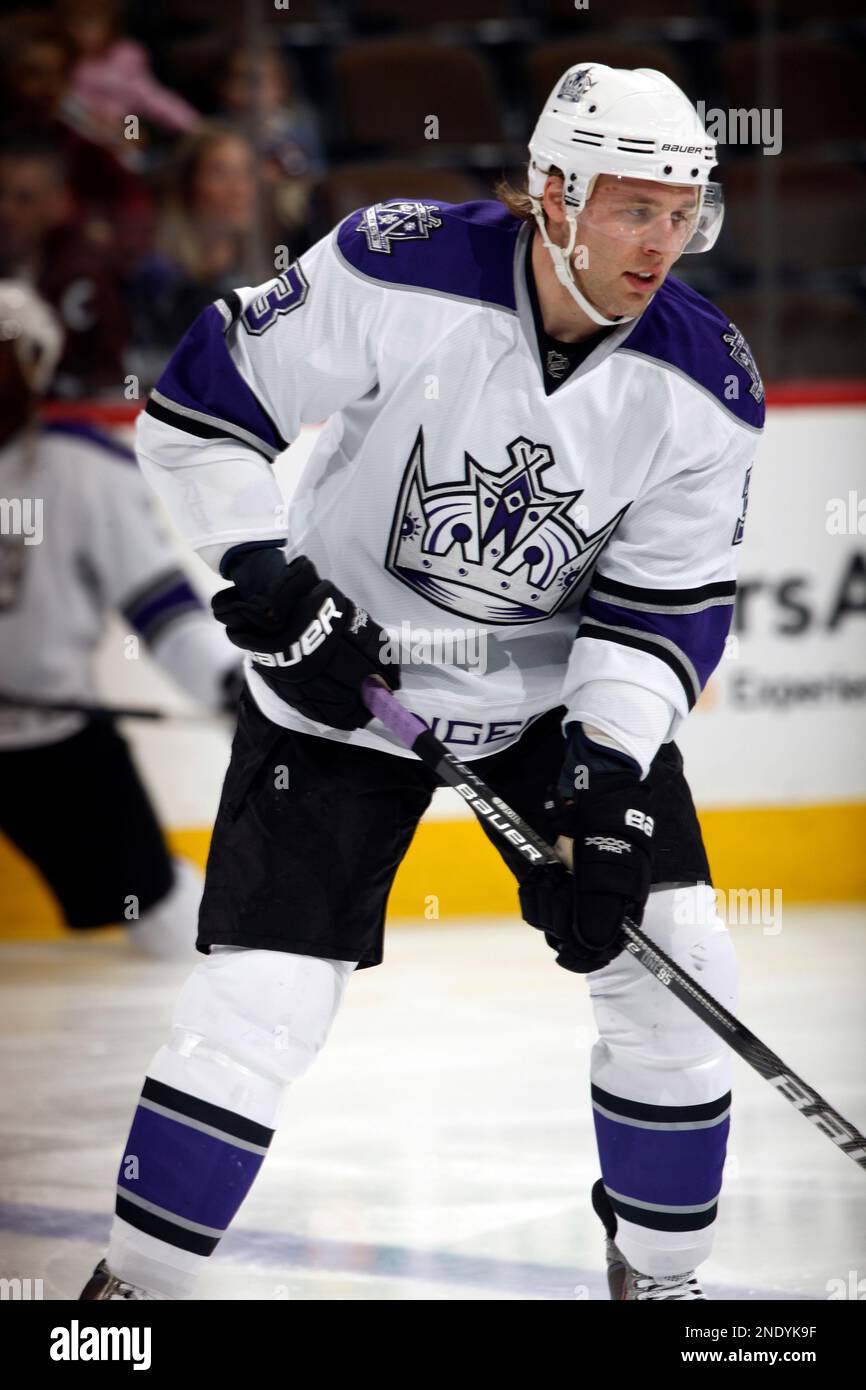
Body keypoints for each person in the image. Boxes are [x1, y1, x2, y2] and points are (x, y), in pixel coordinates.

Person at [79, 65, 764, 1301]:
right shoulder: (397, 268)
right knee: (261, 999)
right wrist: (267, 581)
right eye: (631, 207)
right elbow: (198, 410)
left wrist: (607, 780)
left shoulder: (704, 382)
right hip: (341, 684)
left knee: (678, 955)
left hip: (549, 710)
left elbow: (662, 607)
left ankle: (660, 1284)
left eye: (682, 212)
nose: (660, 241)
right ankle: (128, 1297)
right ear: (552, 194)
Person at [0, 282, 243, 959]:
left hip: (53, 738)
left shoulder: (81, 472)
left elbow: (160, 606)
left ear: (35, 363)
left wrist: (225, 681)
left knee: (160, 917)